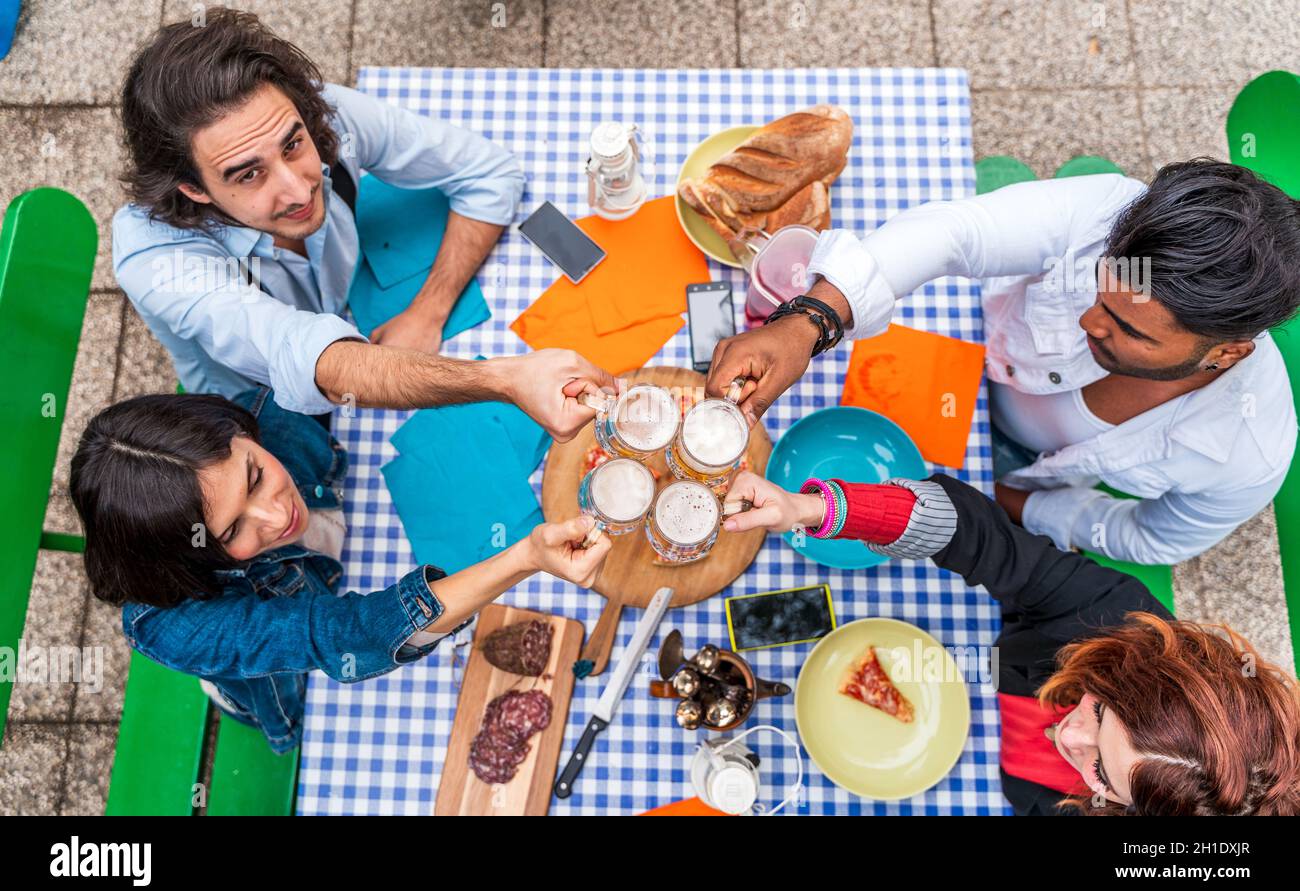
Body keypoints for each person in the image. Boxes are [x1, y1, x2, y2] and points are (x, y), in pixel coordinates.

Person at [708, 161, 1300, 564]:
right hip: (960, 353)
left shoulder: (1249, 457)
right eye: (1098, 293)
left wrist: (1005, 503)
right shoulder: (1111, 211)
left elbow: (1150, 538)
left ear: (1227, 352)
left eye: (1128, 331)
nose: (1090, 323)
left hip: (1023, 473)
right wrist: (809, 319)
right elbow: (956, 232)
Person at [113, 8, 608, 441]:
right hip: (259, 407)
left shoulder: (322, 113)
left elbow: (490, 172)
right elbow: (306, 356)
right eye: (249, 174)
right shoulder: (156, 260)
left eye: (292, 145)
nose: (299, 188)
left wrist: (429, 311)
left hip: (366, 322)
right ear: (193, 189)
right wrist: (504, 379)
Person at [721, 470, 1300, 814]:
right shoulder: (1120, 624)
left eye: (1101, 772)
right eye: (1099, 709)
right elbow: (979, 537)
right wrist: (813, 508)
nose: (1065, 732)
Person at [70, 389, 612, 753]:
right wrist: (525, 557)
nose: (278, 515)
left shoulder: (264, 408)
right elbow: (340, 635)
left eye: (256, 476)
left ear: (237, 428)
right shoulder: (178, 626)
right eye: (232, 531)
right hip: (287, 684)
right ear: (190, 558)